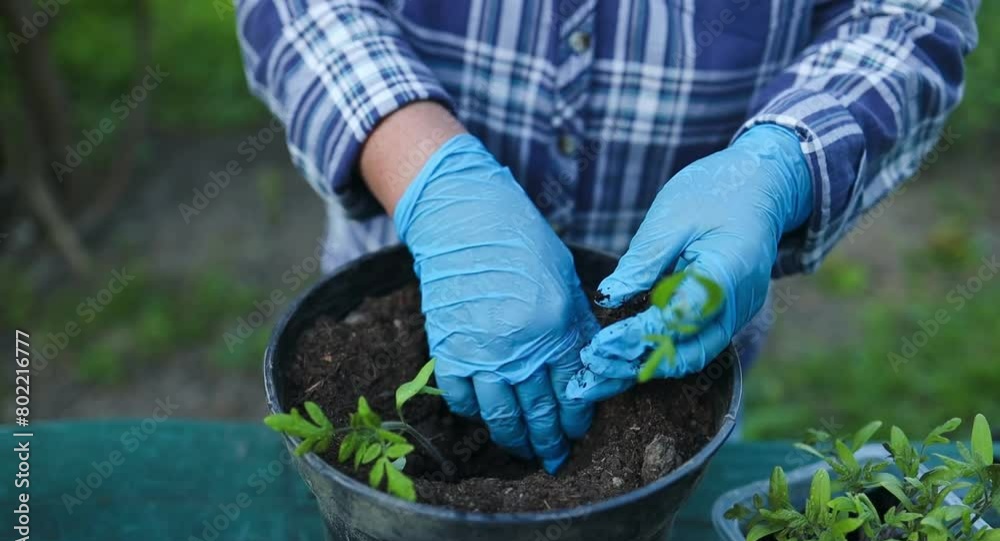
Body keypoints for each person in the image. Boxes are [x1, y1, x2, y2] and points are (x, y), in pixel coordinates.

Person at [236, 0, 979, 473]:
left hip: (670, 338)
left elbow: (911, 14)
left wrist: (781, 162)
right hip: (410, 266)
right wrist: (429, 172)